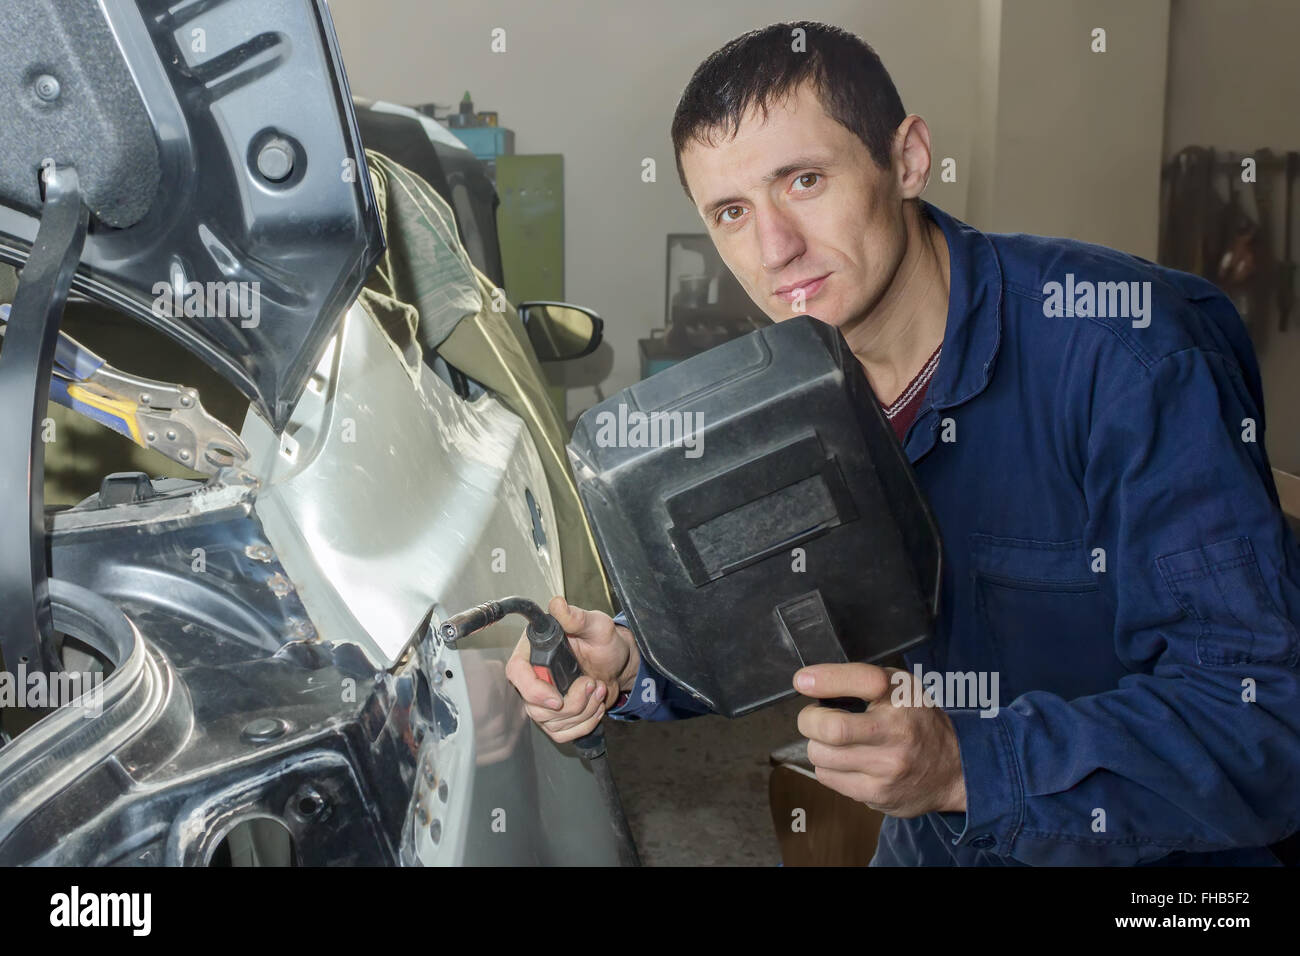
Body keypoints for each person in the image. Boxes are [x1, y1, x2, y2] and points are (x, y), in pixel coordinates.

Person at [505, 20, 1300, 865]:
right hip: (939, 843)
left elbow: (1265, 723)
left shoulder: (1129, 357)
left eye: (804, 180)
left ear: (909, 158)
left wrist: (966, 766)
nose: (774, 249)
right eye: (731, 212)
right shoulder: (787, 395)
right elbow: (773, 605)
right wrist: (633, 660)